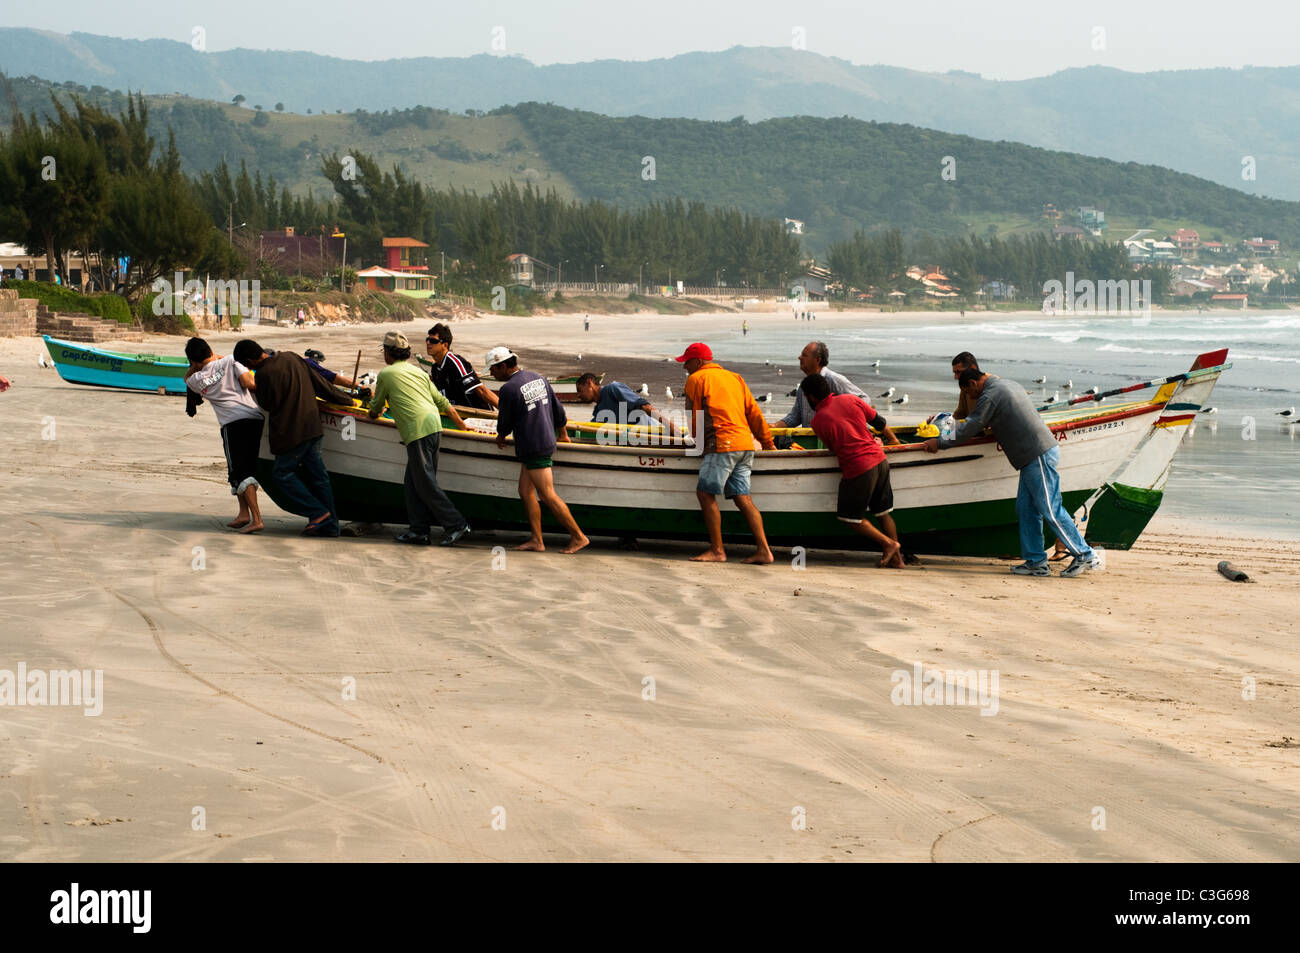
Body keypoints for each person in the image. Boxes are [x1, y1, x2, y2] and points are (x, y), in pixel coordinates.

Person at [923, 368, 1101, 578]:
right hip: (1029, 457)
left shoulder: (991, 394)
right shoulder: (1008, 384)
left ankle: (1084, 554)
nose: (971, 397)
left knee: (1050, 508)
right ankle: (1036, 562)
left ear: (972, 383)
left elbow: (973, 424)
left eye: (969, 392)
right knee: (1026, 509)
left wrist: (941, 442)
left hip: (1038, 453)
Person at [232, 339, 350, 537]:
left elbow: (267, 405)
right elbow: (321, 384)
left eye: (246, 365)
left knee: (282, 474)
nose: (248, 369)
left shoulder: (263, 374)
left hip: (292, 433)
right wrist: (347, 399)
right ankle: (330, 526)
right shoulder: (292, 357)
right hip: (313, 427)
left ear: (251, 359)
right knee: (319, 478)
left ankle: (318, 512)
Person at [368, 332, 471, 546]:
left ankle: (456, 524)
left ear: (388, 352)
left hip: (417, 431)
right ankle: (418, 531)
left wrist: (371, 408)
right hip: (434, 426)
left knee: (424, 484)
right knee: (412, 483)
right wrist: (462, 425)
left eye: (384, 351)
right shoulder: (419, 372)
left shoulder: (386, 374)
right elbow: (442, 402)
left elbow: (375, 410)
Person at [678, 342, 775, 564]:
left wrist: (699, 446)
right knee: (743, 498)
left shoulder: (696, 379)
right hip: (744, 444)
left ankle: (717, 550)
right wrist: (767, 443)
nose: (685, 367)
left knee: (705, 493)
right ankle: (764, 550)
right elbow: (754, 413)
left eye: (687, 362)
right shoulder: (735, 378)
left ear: (699, 362)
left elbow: (695, 419)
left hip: (721, 444)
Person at [488, 346, 589, 554]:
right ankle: (537, 540)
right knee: (525, 491)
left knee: (547, 495)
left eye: (493, 369)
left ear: (504, 366)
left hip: (534, 445)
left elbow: (504, 422)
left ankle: (578, 537)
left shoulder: (508, 389)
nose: (491, 374)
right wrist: (563, 434)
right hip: (541, 441)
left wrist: (500, 436)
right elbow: (558, 409)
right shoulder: (537, 377)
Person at [801, 372, 904, 568]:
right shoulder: (850, 399)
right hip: (881, 460)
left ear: (811, 397)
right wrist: (894, 441)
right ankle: (897, 560)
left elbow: (833, 448)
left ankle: (888, 544)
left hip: (859, 468)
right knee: (882, 512)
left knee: (849, 517)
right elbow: (879, 421)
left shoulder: (818, 421)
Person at [183, 337, 264, 533]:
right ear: (210, 349)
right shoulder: (231, 360)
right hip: (255, 419)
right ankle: (243, 513)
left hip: (232, 424)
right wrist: (219, 358)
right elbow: (249, 382)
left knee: (241, 471)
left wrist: (197, 366)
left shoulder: (195, 380)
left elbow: (186, 378)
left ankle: (257, 519)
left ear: (192, 361)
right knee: (238, 469)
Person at [776, 341, 874, 432]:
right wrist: (775, 426)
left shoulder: (833, 379)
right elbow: (796, 416)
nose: (800, 358)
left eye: (804, 355)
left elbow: (864, 400)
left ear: (818, 360)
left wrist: (844, 420)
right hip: (813, 440)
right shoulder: (804, 386)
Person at [575, 373, 680, 436]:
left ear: (589, 383)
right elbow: (592, 429)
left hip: (652, 433)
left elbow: (644, 406)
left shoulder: (613, 389)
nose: (579, 395)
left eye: (580, 390)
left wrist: (670, 426)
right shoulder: (598, 410)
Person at [425, 324, 497, 409]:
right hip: (457, 414)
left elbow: (480, 390)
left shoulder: (455, 363)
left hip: (478, 415)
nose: (428, 343)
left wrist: (506, 412)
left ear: (445, 345)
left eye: (433, 341)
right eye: (427, 340)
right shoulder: (435, 368)